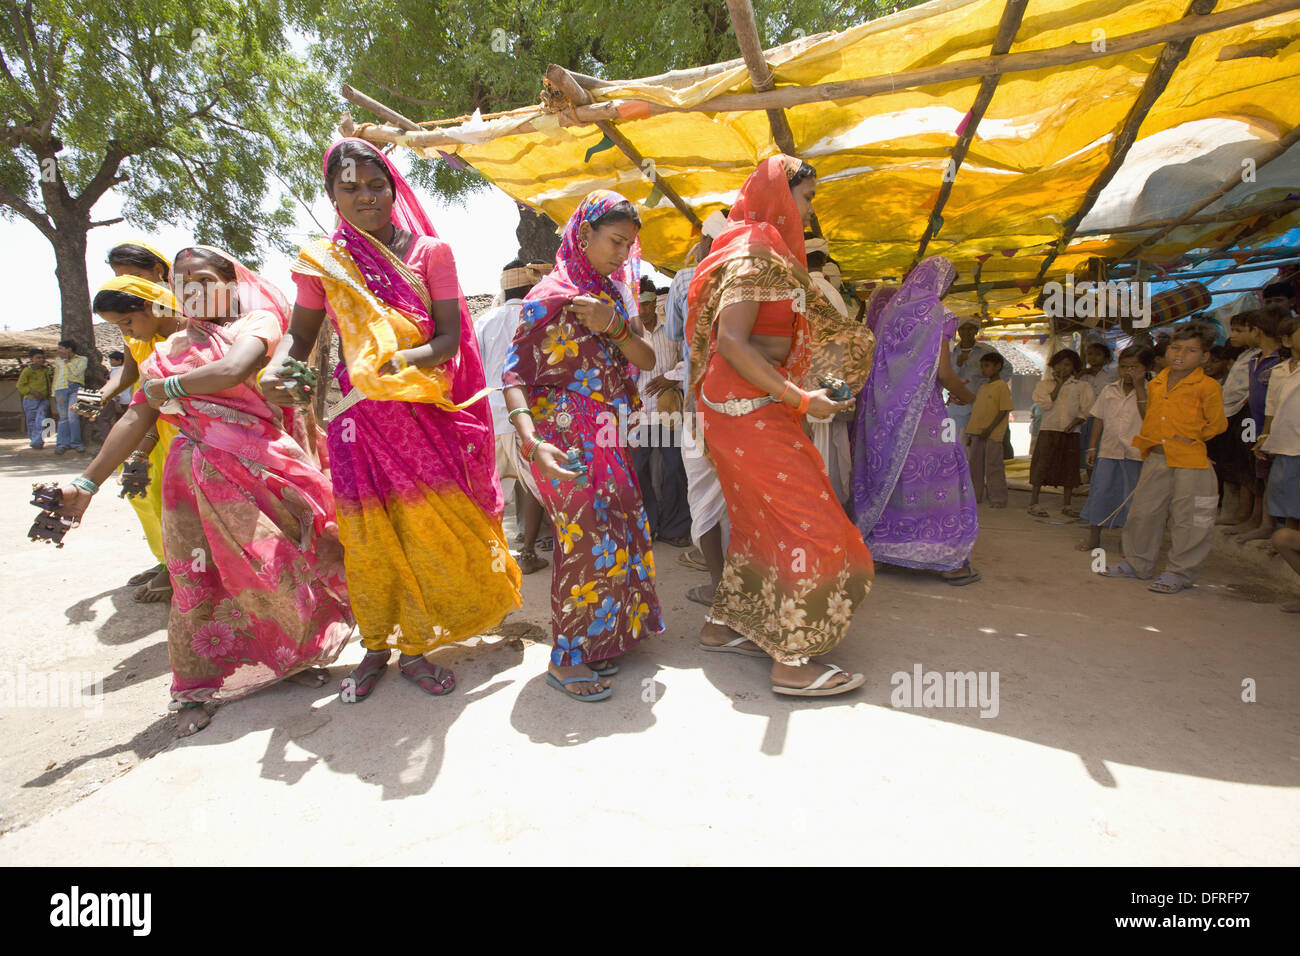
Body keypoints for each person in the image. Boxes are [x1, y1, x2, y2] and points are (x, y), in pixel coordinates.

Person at [263, 137, 522, 703]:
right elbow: (300, 338)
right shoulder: (322, 263)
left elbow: (449, 338)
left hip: (422, 414)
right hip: (357, 421)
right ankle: (376, 644)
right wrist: (275, 373)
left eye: (376, 184)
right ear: (331, 194)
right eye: (349, 187)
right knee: (368, 536)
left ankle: (417, 646)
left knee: (429, 528)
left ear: (394, 186)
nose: (366, 197)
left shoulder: (431, 253)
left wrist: (401, 362)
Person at [54, 246, 352, 736]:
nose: (194, 290)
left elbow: (234, 369)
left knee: (275, 564)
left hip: (259, 467)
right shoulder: (166, 352)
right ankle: (198, 683)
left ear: (230, 283)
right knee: (197, 580)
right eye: (183, 282)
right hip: (190, 477)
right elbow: (134, 416)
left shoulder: (253, 324)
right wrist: (85, 484)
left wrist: (166, 390)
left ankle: (298, 653)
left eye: (207, 279)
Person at [691, 156, 873, 695]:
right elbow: (730, 341)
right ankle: (793, 663)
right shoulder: (752, 253)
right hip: (747, 407)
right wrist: (798, 397)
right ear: (779, 195)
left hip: (747, 405)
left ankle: (726, 625)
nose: (812, 209)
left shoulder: (759, 249)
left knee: (757, 524)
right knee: (813, 526)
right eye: (808, 197)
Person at [502, 189, 665, 701]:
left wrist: (611, 324)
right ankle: (566, 657)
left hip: (607, 432)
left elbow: (644, 359)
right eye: (615, 241)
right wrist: (530, 442)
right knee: (583, 539)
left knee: (617, 530)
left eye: (629, 245)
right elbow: (513, 374)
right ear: (584, 233)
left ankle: (602, 640)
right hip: (563, 435)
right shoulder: (549, 295)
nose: (622, 254)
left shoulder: (613, 297)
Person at [853, 256, 979, 585]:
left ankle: (883, 550)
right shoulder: (939, 314)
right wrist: (969, 397)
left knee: (893, 480)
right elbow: (944, 372)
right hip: (925, 414)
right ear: (942, 284)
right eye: (949, 285)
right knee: (940, 480)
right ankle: (946, 560)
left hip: (884, 414)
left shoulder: (890, 312)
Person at [1102, 325, 1227, 593]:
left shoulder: (1208, 386)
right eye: (1175, 348)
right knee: (1143, 513)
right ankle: (1138, 564)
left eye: (1191, 350)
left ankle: (1180, 573)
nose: (1180, 354)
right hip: (1156, 457)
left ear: (1204, 357)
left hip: (1191, 461)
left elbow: (1217, 425)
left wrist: (1190, 438)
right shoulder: (1156, 382)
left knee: (1190, 520)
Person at [90, 276, 186, 602]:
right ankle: (172, 565)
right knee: (150, 496)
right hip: (159, 429)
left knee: (186, 507)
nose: (125, 333)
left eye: (127, 322)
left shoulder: (196, 337)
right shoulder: (148, 346)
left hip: (200, 440)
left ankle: (186, 572)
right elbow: (143, 408)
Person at [475, 258, 553, 574]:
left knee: (489, 491)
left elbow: (472, 369)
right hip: (526, 416)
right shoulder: (538, 318)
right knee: (538, 488)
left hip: (489, 415)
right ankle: (529, 552)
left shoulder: (483, 322)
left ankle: (491, 561)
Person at [668, 210, 729, 606]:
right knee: (739, 494)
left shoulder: (685, 280)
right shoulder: (751, 272)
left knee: (704, 493)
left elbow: (674, 334)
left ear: (704, 241)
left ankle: (718, 581)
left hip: (699, 401)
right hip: (745, 402)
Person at [633, 275, 691, 546]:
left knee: (674, 469)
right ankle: (645, 526)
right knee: (637, 470)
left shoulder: (671, 330)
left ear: (654, 303)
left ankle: (672, 527)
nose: (643, 311)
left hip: (668, 410)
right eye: (639, 306)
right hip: (637, 414)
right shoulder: (629, 334)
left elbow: (687, 360)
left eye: (647, 305)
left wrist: (671, 377)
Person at [1076, 345, 1152, 552]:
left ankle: (1128, 542)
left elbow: (1149, 418)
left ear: (1145, 369)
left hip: (1136, 453)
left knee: (1132, 499)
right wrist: (1092, 448)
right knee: (1100, 492)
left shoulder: (1152, 390)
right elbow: (1098, 419)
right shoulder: (1109, 390)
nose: (1128, 371)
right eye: (1124, 367)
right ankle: (1094, 538)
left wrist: (1139, 388)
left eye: (1134, 367)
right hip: (1108, 451)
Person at [1231, 305, 1288, 543]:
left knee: (1278, 479)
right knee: (1261, 475)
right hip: (1258, 425)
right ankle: (1263, 523)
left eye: (1244, 329)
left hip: (1278, 429)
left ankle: (1273, 527)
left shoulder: (1280, 361)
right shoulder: (1255, 358)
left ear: (1257, 330)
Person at [1259, 315, 1299, 611]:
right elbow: (1271, 407)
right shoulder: (1280, 371)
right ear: (1287, 340)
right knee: (1285, 501)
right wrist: (1265, 435)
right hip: (1285, 443)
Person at [1027, 348, 1089, 518]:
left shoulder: (1081, 386)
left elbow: (1086, 409)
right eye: (1059, 364)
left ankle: (1067, 505)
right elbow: (1046, 405)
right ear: (1053, 365)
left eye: (1068, 364)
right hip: (1049, 430)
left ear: (1074, 367)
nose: (1063, 368)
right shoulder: (1044, 385)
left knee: (1069, 468)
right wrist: (1059, 385)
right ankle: (1034, 502)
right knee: (1042, 466)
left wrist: (1076, 422)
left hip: (1071, 432)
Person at [1215, 312, 1262, 525]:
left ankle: (1250, 516)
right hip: (1233, 414)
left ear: (1256, 331)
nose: (1232, 335)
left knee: (1250, 464)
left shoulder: (1261, 357)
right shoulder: (1246, 354)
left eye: (1238, 331)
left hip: (1249, 415)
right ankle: (1238, 513)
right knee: (1237, 461)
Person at [965, 352, 1012, 507]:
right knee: (975, 466)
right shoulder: (983, 387)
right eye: (982, 366)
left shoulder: (1002, 386)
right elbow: (978, 411)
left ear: (998, 367)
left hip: (993, 434)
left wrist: (990, 429)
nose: (983, 369)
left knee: (994, 467)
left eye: (987, 366)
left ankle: (998, 498)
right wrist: (972, 432)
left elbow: (1003, 410)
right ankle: (975, 496)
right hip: (977, 432)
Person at [947, 319, 1007, 436]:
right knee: (958, 444)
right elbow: (946, 377)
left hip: (982, 406)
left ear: (976, 331)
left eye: (970, 329)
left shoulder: (986, 351)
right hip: (958, 408)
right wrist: (957, 364)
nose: (966, 332)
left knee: (979, 444)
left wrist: (994, 389)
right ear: (958, 331)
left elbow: (1006, 369)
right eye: (962, 329)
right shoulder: (951, 352)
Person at [50, 338, 88, 454]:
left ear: (69, 349)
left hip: (75, 388)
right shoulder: (57, 361)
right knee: (63, 417)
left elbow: (77, 372)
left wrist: (67, 362)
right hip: (60, 389)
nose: (59, 351)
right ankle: (62, 444)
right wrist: (53, 392)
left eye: (61, 348)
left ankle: (76, 443)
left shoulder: (82, 359)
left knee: (73, 415)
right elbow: (56, 376)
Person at [17, 348, 53, 450]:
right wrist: (32, 392)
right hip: (31, 399)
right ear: (32, 359)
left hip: (44, 399)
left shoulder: (46, 370)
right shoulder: (28, 371)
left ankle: (37, 440)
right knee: (32, 421)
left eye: (42, 358)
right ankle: (35, 441)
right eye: (38, 358)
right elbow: (20, 385)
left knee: (40, 419)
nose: (41, 360)